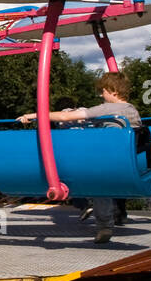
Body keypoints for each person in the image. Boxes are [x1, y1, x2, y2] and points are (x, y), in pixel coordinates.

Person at [19, 71, 140, 245]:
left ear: (113, 91)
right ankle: (105, 218)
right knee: (101, 184)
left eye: (103, 92)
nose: (101, 96)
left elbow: (65, 116)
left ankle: (98, 217)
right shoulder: (133, 111)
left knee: (78, 172)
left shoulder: (107, 109)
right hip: (126, 161)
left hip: (105, 160)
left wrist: (34, 115)